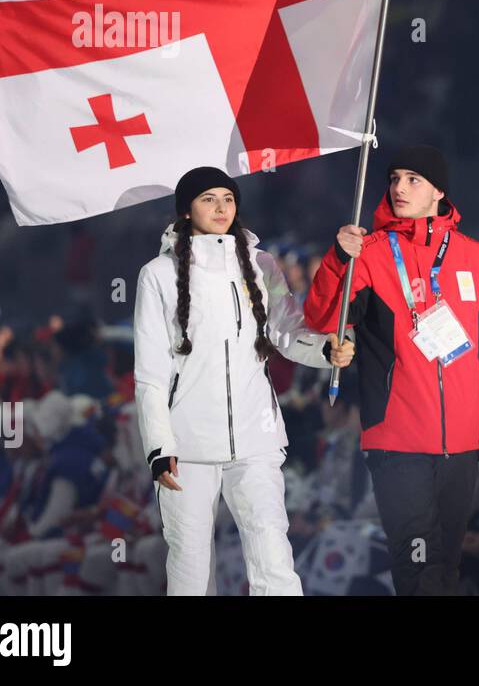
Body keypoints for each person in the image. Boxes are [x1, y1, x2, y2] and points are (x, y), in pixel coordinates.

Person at [303, 144, 479, 595]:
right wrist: (338, 261)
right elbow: (320, 318)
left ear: (438, 191)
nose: (399, 187)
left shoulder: (476, 258)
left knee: (445, 569)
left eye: (413, 179)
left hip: (462, 443)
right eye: (394, 178)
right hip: (397, 442)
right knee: (418, 568)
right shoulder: (369, 254)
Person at [133, 166, 353, 596]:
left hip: (256, 438)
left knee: (272, 553)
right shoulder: (157, 275)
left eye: (228, 199)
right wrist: (160, 447)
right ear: (186, 210)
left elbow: (287, 332)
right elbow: (150, 375)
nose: (220, 208)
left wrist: (325, 351)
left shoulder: (259, 264)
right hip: (188, 446)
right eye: (208, 199)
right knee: (191, 562)